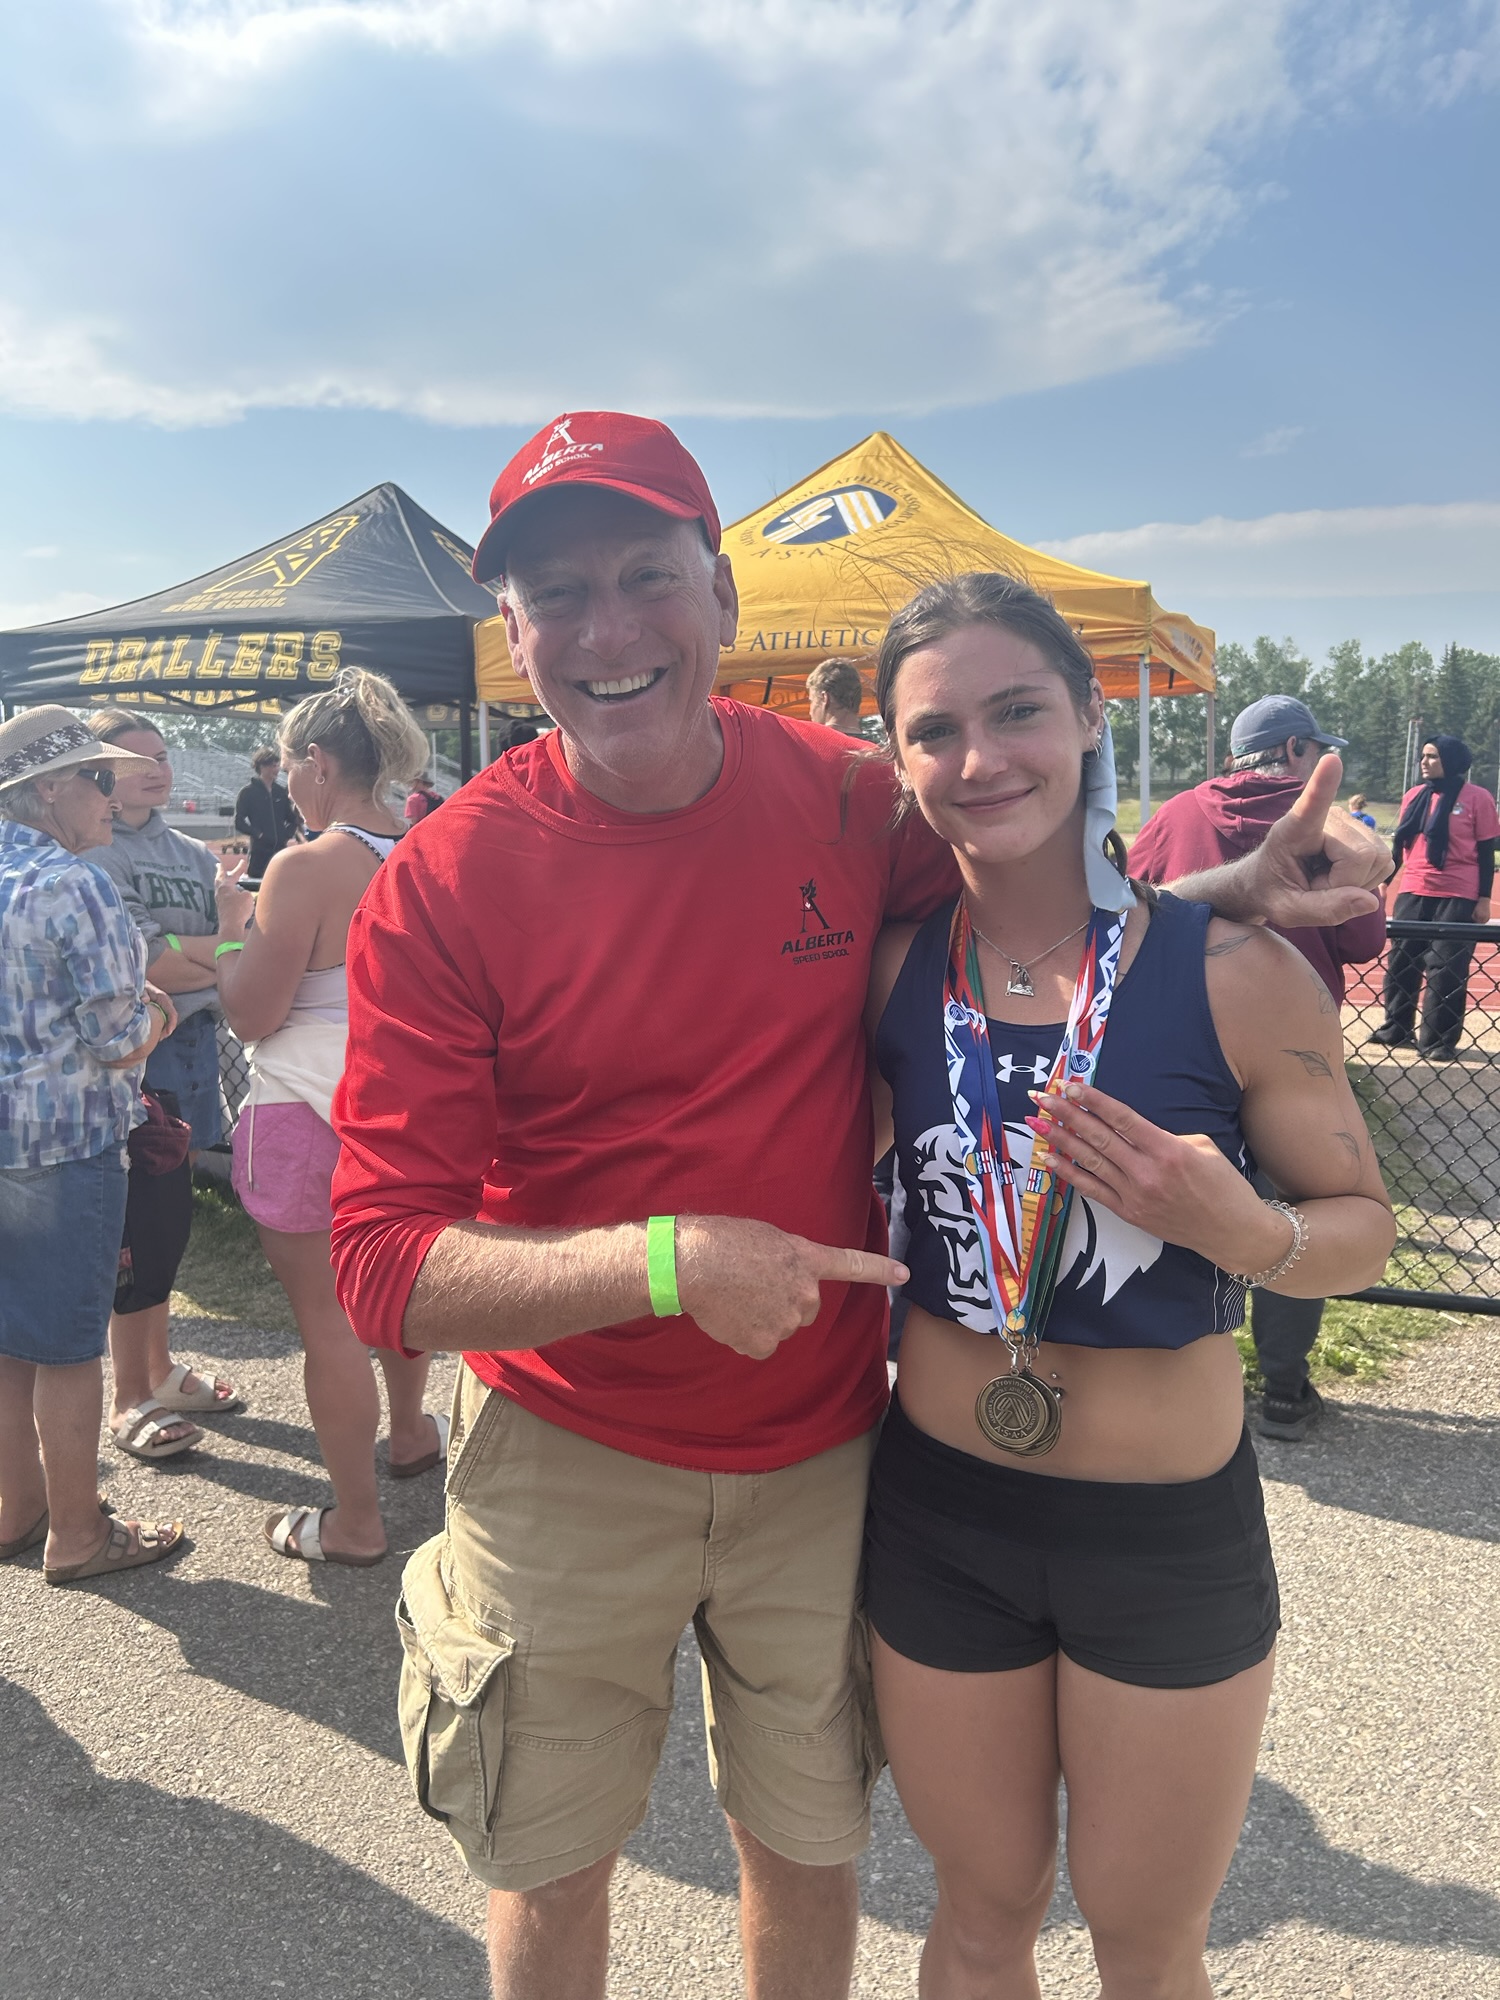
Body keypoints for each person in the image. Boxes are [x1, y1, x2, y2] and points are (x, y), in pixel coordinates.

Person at [325, 411, 1390, 2000]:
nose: (608, 633)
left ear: (724, 596)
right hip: (572, 1452)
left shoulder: (839, 801)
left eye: (645, 576)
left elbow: (1037, 908)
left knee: (808, 1856)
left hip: (827, 1450)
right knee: (552, 1875)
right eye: (556, 597)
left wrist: (1228, 904)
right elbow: (378, 1263)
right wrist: (668, 1264)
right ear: (511, 634)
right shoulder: (445, 878)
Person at [862, 574, 1395, 2000]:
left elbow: (1363, 1225)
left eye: (1019, 711)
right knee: (980, 1917)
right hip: (941, 1514)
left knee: (1147, 1944)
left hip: (1166, 1539)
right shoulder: (894, 975)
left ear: (1093, 718)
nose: (982, 761)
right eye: (937, 732)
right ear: (899, 761)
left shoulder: (1239, 974)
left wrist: (1245, 1231)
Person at [215, 671, 443, 1566]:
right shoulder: (427, 847)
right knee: (397, 1292)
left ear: (315, 762)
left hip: (305, 1110)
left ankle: (354, 1521)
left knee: (329, 1322)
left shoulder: (305, 867)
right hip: (404, 1112)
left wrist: (233, 923)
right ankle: (414, 1432)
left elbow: (250, 1013)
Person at [1127, 691, 1387, 1443]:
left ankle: (1163, 1379)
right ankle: (1280, 1387)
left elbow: (1121, 910)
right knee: (1291, 1223)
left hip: (1167, 1057)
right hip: (1291, 1058)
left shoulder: (1176, 813)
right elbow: (1366, 940)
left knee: (1168, 1210)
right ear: (1301, 753)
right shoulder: (1324, 819)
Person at [0, 706, 187, 1584]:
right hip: (66, 1141)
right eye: (97, 778)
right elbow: (117, 1041)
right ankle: (78, 1532)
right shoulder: (75, 883)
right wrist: (157, 1008)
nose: (111, 796)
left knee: (9, 1339)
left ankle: (18, 1504)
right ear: (49, 790)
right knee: (70, 1346)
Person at [83, 711, 242, 1460]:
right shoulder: (93, 852)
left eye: (162, 754)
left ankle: (158, 1368)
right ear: (99, 773)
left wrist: (196, 950)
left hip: (197, 1046)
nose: (156, 768)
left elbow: (232, 942)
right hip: (143, 1053)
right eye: (134, 758)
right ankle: (129, 1396)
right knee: (136, 1229)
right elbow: (150, 968)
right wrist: (209, 951)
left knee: (168, 1225)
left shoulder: (187, 850)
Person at [1370, 734, 1499, 1061]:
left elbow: (1486, 852)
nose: (1424, 762)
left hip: (1458, 894)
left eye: (1432, 757)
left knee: (1446, 969)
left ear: (1451, 761)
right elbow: (1399, 846)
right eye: (1423, 756)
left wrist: (1484, 897)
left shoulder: (1478, 798)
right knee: (1401, 962)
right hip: (1414, 890)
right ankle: (1396, 1028)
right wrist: (1385, 881)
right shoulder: (1414, 796)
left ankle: (1438, 1040)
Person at [234, 747, 300, 878]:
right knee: (256, 888)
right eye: (272, 766)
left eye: (277, 766)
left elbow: (293, 819)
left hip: (280, 851)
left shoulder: (281, 793)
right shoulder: (248, 793)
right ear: (261, 767)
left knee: (281, 885)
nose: (276, 770)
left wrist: (286, 834)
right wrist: (258, 834)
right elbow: (239, 822)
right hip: (259, 852)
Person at [807, 657, 867, 737]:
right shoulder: (881, 746)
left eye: (811, 701)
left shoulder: (810, 744)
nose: (810, 712)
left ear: (825, 698)